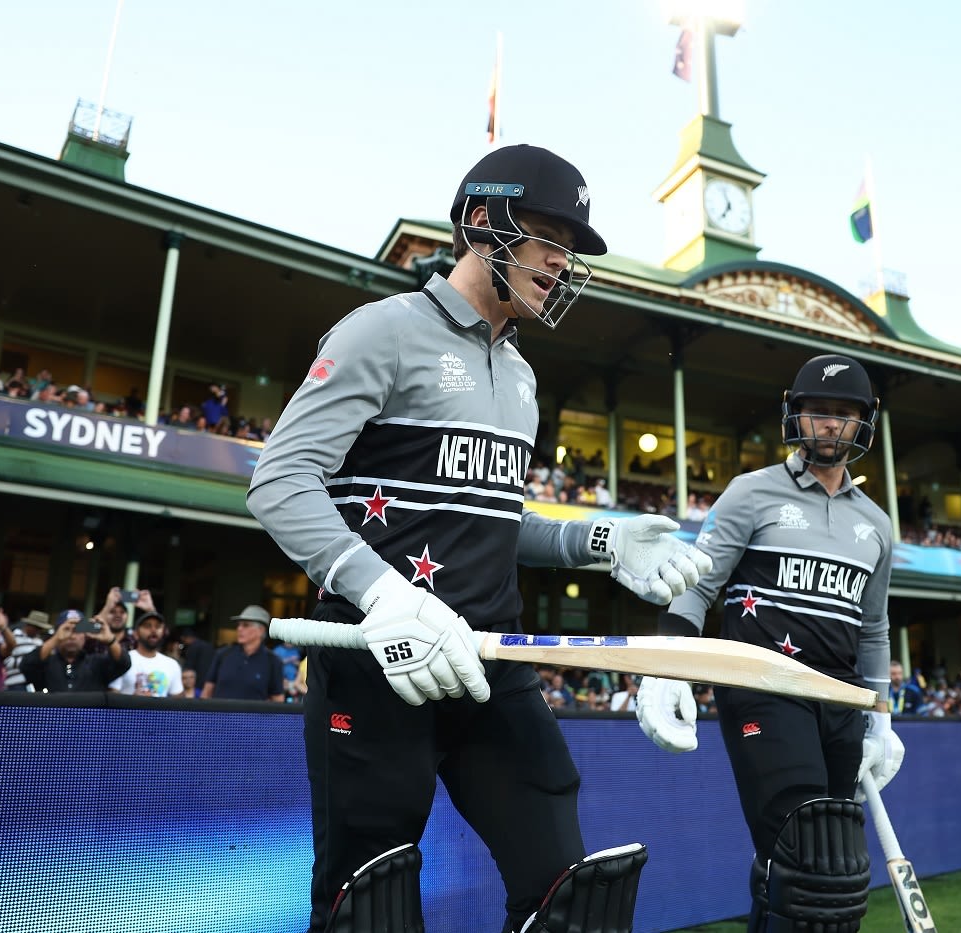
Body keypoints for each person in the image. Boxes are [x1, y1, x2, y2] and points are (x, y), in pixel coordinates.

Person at [246, 143, 713, 933]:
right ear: (480, 223)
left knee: (572, 898)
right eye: (547, 239)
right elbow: (279, 481)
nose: (560, 264)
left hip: (492, 660)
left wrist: (600, 540)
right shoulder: (381, 330)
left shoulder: (524, 376)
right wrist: (385, 595)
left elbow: (499, 518)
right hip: (379, 659)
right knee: (370, 907)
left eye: (570, 249)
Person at [633, 354, 900, 932]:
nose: (829, 425)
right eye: (817, 412)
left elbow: (873, 627)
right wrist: (667, 668)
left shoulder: (876, 524)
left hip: (843, 700)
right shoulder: (751, 493)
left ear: (863, 423)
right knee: (805, 849)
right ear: (794, 416)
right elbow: (697, 583)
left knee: (829, 865)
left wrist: (880, 717)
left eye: (844, 415)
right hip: (762, 686)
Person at [19, 609, 130, 692]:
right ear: (57, 632)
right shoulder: (46, 662)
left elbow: (123, 663)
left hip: (87, 721)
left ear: (85, 635)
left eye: (77, 630)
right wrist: (55, 639)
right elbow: (27, 664)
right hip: (51, 719)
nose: (72, 636)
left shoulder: (96, 663)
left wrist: (110, 640)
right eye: (66, 630)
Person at [201, 605, 284, 702]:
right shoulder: (223, 654)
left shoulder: (273, 661)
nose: (239, 629)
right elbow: (206, 692)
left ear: (261, 630)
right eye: (238, 625)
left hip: (253, 717)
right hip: (220, 716)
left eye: (245, 625)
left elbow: (277, 699)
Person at [109, 611, 184, 697]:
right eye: (147, 626)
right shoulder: (123, 660)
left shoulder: (172, 665)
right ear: (136, 634)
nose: (153, 630)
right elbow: (112, 696)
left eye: (158, 626)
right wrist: (132, 700)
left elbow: (179, 702)